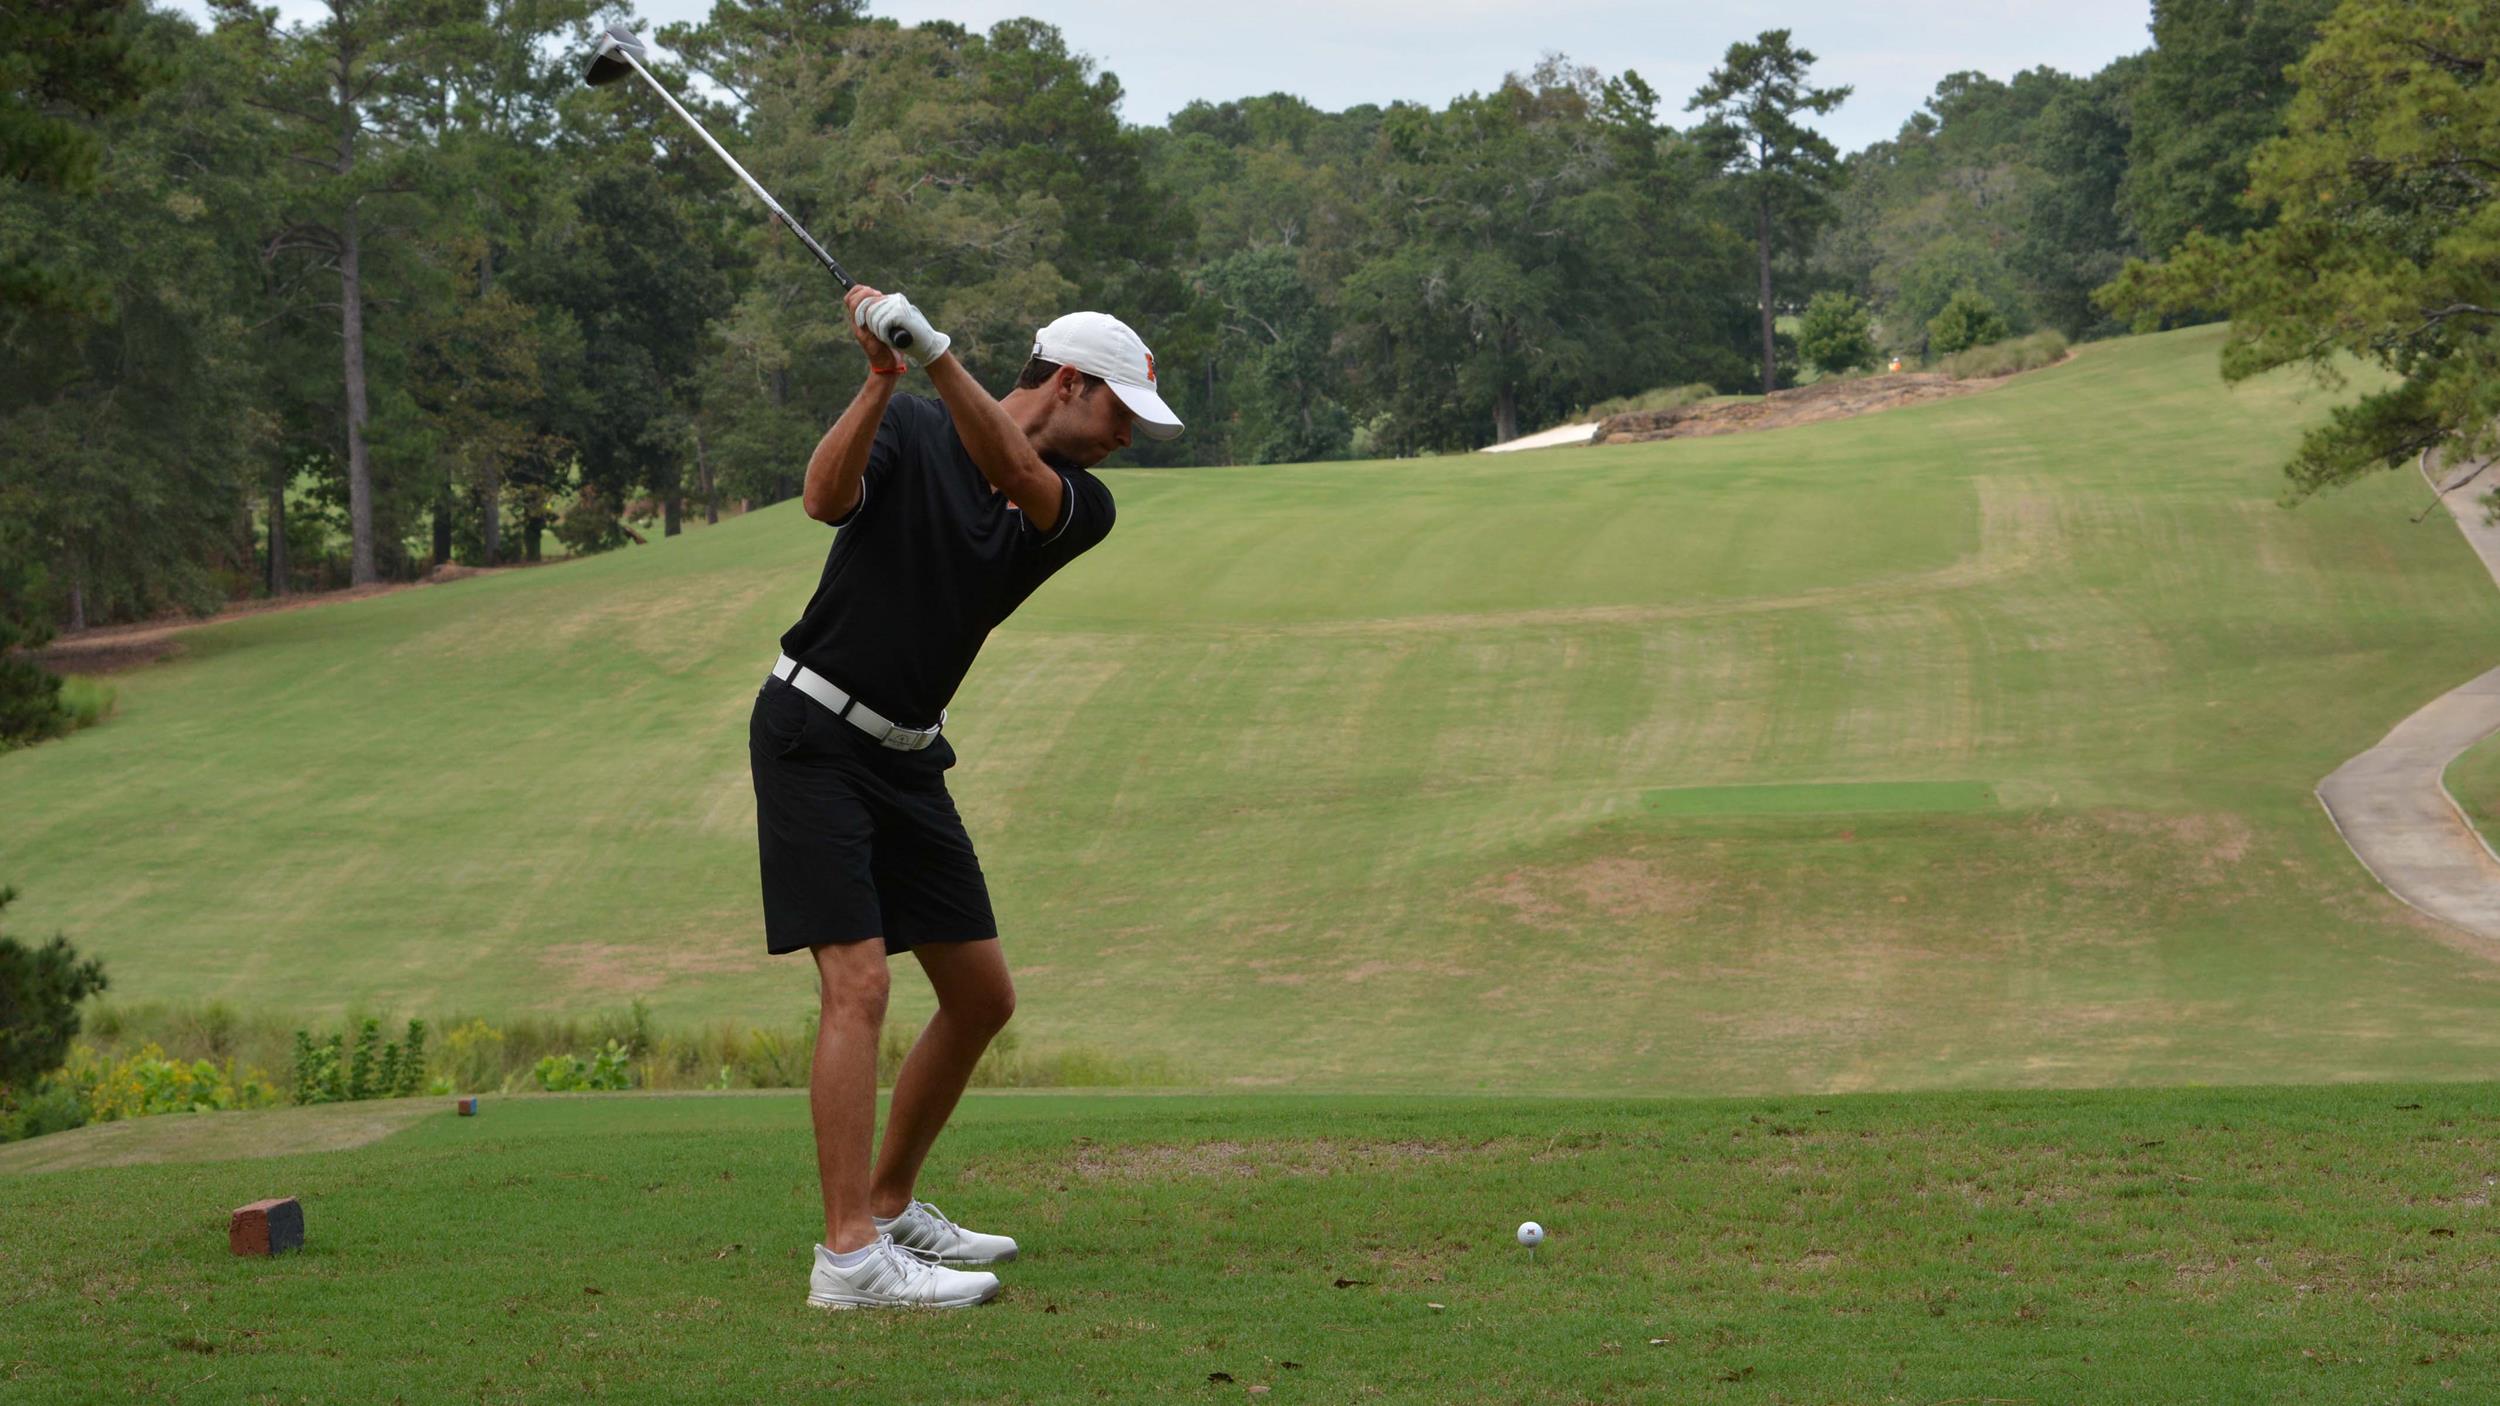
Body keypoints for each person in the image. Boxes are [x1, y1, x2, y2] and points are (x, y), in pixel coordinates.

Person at [749, 285, 1182, 1310]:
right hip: (812, 731)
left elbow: (1014, 467)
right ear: (1069, 382)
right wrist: (879, 380)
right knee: (857, 982)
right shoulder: (910, 423)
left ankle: (891, 1202)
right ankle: (849, 1255)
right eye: (1119, 412)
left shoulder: (1077, 501)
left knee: (982, 993)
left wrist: (937, 352)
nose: (1127, 436)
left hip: (907, 754)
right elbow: (823, 499)